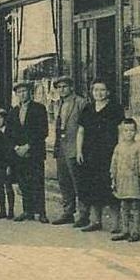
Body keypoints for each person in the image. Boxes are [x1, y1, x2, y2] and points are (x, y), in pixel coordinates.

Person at [76, 78, 124, 232]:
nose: (99, 93)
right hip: (90, 154)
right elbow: (81, 131)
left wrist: (120, 151)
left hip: (108, 153)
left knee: (110, 190)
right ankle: (96, 221)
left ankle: (116, 225)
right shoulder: (88, 109)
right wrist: (79, 151)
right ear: (92, 92)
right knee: (93, 188)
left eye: (102, 90)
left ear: (108, 92)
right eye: (96, 90)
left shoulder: (115, 109)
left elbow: (121, 130)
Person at [7, 80, 49, 223]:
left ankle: (41, 212)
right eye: (19, 92)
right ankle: (27, 211)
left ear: (29, 92)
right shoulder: (13, 111)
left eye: (24, 91)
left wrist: (28, 146)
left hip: (34, 151)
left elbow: (43, 131)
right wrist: (17, 148)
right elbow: (10, 133)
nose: (22, 94)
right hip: (19, 153)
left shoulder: (39, 108)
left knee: (37, 182)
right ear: (16, 94)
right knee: (23, 182)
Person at [50, 76, 87, 225]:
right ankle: (68, 211)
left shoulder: (80, 102)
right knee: (64, 181)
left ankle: (83, 214)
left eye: (64, 87)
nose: (61, 90)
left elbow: (85, 127)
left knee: (78, 181)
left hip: (75, 146)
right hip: (61, 147)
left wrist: (81, 148)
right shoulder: (57, 104)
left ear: (71, 87)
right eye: (59, 87)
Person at [110, 117, 140, 242]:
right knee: (124, 205)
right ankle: (125, 230)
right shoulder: (118, 147)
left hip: (134, 180)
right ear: (122, 132)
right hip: (122, 180)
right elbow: (114, 163)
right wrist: (113, 178)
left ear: (135, 131)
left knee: (135, 206)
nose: (129, 133)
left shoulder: (139, 147)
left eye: (131, 130)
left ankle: (135, 231)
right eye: (126, 130)